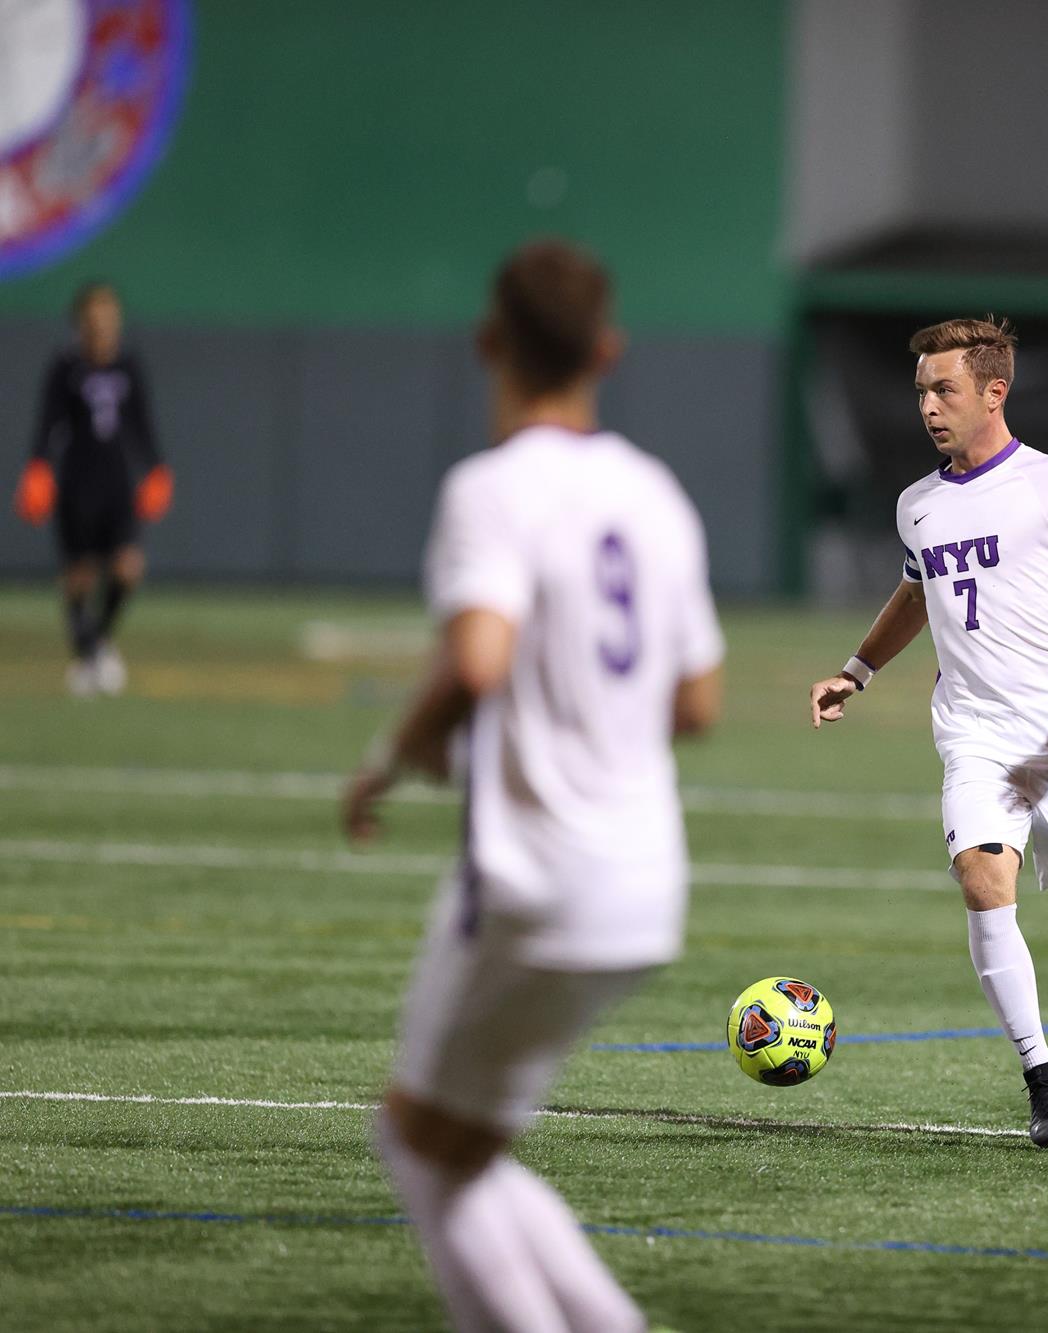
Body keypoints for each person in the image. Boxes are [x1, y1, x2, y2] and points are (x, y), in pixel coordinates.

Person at [342, 238, 724, 1331]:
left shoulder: (493, 489)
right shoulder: (655, 494)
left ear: (488, 341)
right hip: (646, 886)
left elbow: (475, 659)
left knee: (419, 1144)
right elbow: (696, 703)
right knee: (464, 1149)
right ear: (607, 349)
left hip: (534, 878)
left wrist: (393, 753)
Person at [808, 317, 1048, 1148]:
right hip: (975, 735)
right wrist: (857, 669)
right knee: (981, 880)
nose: (928, 405)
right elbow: (917, 595)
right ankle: (1041, 1078)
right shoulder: (916, 505)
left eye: (944, 388)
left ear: (995, 391)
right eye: (921, 389)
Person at [13, 281, 173, 696]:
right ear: (81, 323)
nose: (103, 326)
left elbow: (142, 423)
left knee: (127, 567)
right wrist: (38, 469)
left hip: (117, 481)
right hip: (77, 481)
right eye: (95, 318)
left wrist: (156, 469)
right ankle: (88, 655)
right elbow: (48, 423)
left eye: (109, 316)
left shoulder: (128, 366)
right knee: (80, 575)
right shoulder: (66, 367)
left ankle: (96, 645)